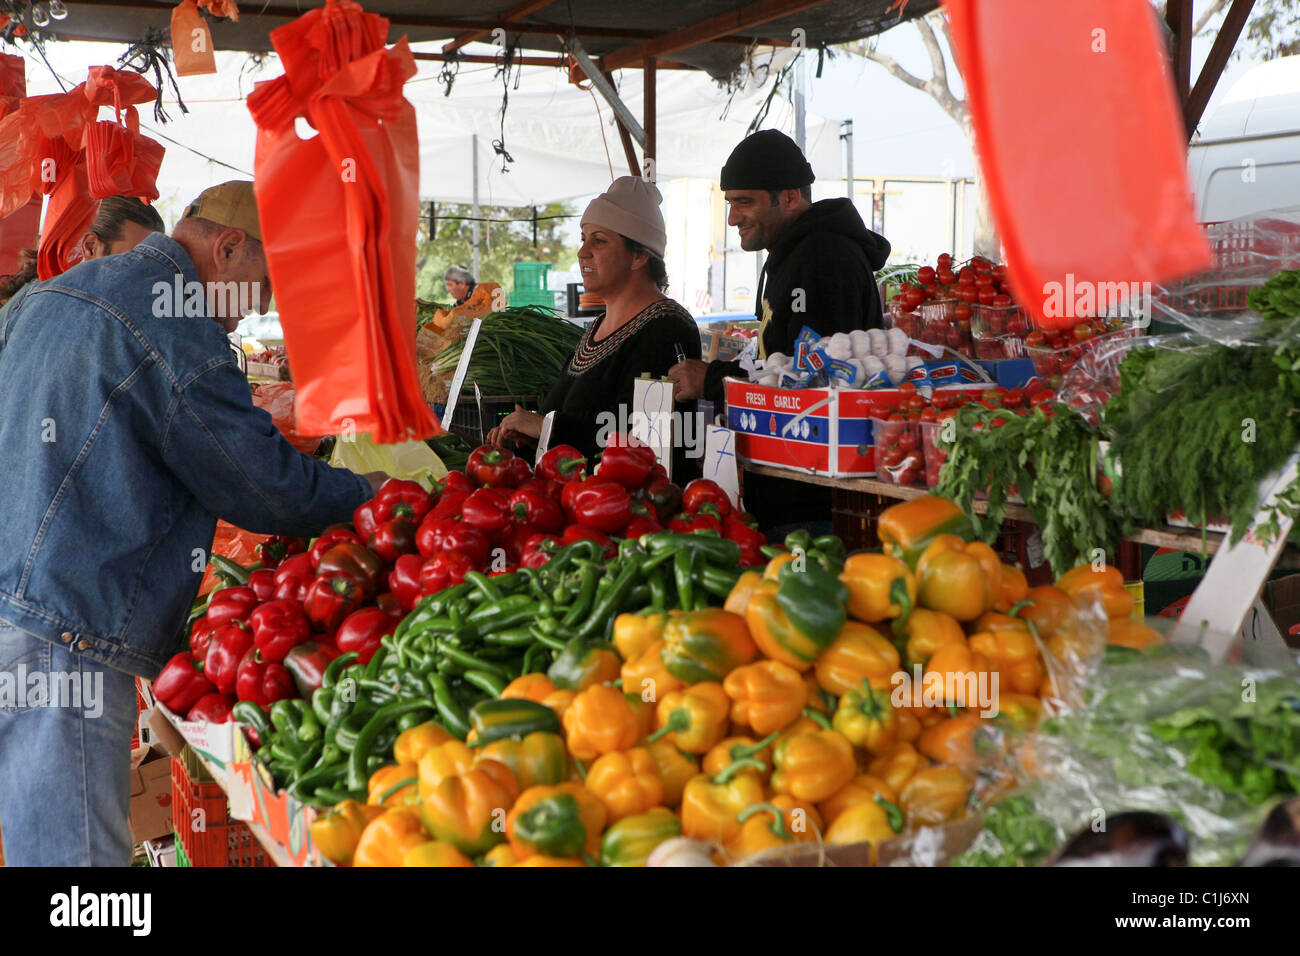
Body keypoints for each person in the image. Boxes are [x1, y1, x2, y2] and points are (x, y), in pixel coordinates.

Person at [0, 181, 385, 866]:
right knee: (74, 864)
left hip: (14, 604)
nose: (259, 309)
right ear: (229, 248)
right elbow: (258, 483)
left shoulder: (49, 294)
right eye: (262, 287)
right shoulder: (175, 324)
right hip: (66, 628)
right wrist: (367, 491)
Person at [667, 130, 891, 538]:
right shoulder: (794, 253)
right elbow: (779, 358)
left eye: (744, 201)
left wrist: (713, 381)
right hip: (790, 484)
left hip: (815, 496)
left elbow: (815, 376)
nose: (733, 217)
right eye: (730, 203)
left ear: (789, 198)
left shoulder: (824, 257)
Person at [486, 176, 701, 479]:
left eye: (599, 241)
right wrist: (530, 434)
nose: (582, 251)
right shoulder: (598, 326)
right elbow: (577, 420)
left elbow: (646, 442)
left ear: (639, 255)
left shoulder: (666, 329)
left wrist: (546, 428)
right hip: (581, 501)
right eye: (583, 238)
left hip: (634, 514)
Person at [0, 195, 166, 341]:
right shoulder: (46, 308)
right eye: (132, 260)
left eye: (152, 264)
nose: (144, 275)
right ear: (90, 247)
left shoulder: (59, 299)